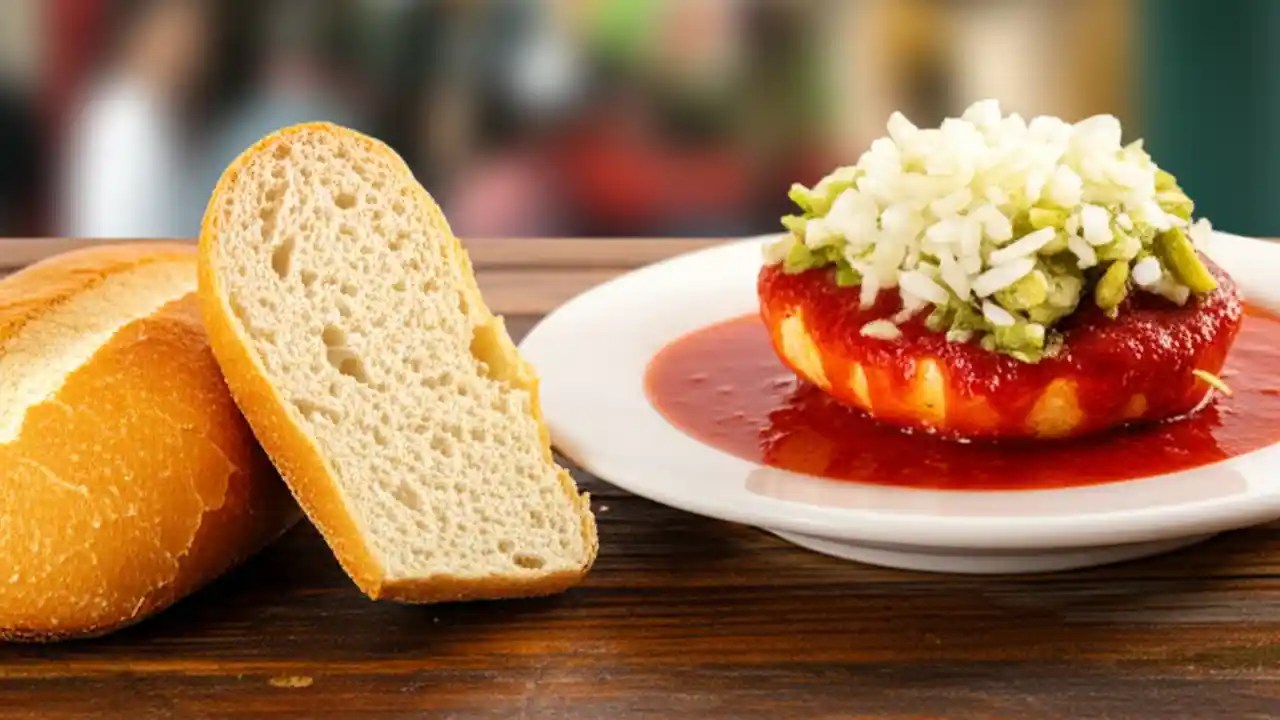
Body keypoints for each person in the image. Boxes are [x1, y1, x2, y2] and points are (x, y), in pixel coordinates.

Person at [59, 0, 210, 238]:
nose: (191, 54)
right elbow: (117, 228)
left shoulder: (159, 113)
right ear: (139, 36)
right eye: (177, 37)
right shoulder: (123, 120)